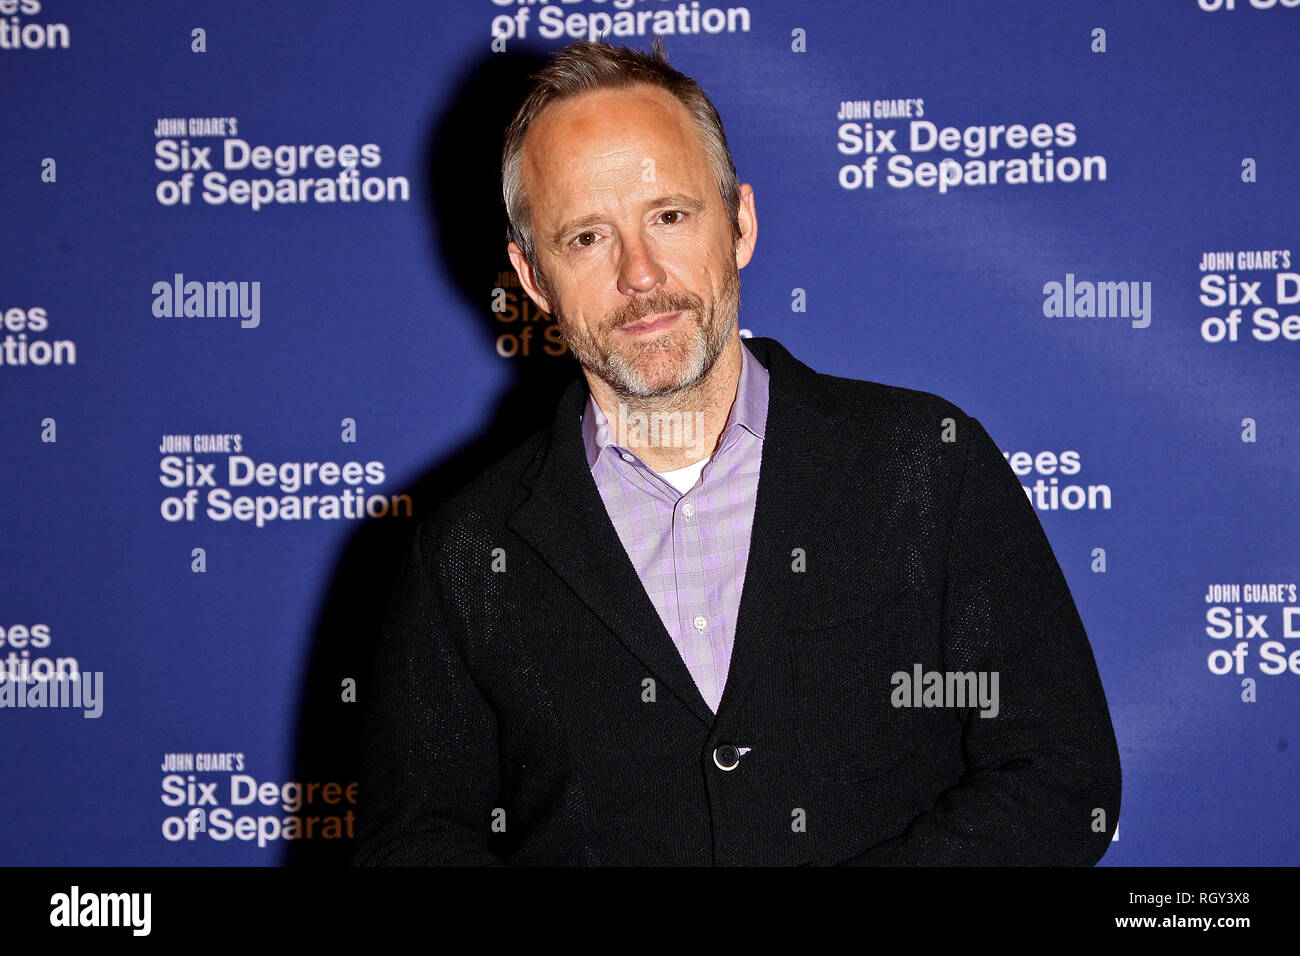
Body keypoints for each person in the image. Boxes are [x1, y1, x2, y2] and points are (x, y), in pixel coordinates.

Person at [353, 39, 1121, 866]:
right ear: (533, 279)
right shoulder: (466, 551)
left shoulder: (926, 465)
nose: (640, 274)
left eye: (670, 217)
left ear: (741, 223)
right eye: (586, 238)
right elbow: (415, 841)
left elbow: (1058, 775)